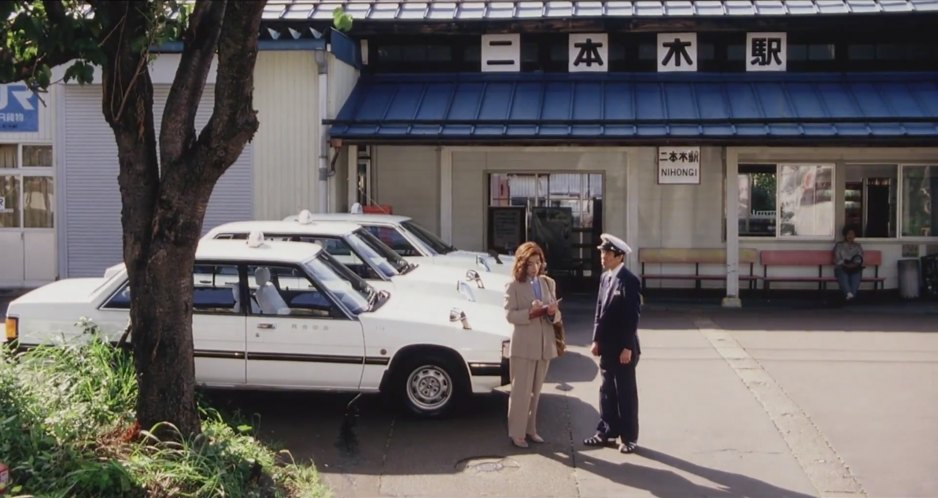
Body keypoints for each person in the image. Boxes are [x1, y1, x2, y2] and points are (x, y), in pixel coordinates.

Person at [584, 233, 642, 454]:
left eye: (608, 253)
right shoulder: (605, 278)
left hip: (623, 347)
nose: (603, 256)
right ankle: (606, 431)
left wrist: (627, 347)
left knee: (625, 392)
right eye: (602, 252)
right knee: (606, 390)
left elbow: (631, 317)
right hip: (607, 346)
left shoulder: (629, 280)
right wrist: (596, 339)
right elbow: (599, 311)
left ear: (620, 257)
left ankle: (629, 437)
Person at [504, 241, 562, 448]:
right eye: (530, 263)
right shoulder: (513, 285)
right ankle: (516, 433)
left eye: (538, 263)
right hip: (523, 346)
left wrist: (552, 312)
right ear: (521, 263)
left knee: (535, 393)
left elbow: (557, 317)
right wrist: (529, 312)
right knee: (520, 392)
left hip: (544, 345)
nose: (535, 267)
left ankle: (531, 429)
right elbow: (509, 315)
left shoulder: (547, 283)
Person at [833, 225, 864, 302]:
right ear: (845, 235)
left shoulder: (858, 246)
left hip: (854, 267)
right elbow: (837, 259)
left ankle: (851, 295)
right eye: (848, 234)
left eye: (852, 234)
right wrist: (845, 264)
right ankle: (849, 294)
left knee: (856, 275)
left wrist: (853, 265)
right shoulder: (839, 245)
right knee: (843, 274)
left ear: (855, 235)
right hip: (842, 267)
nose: (850, 236)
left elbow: (859, 258)